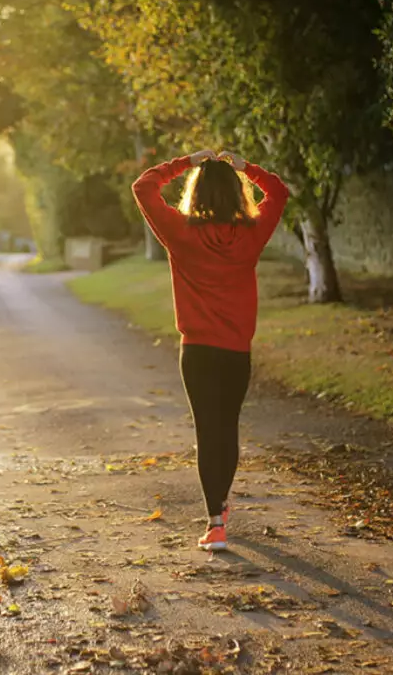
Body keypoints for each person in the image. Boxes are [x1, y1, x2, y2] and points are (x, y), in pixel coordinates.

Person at [132, 149, 289, 551]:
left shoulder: (180, 232)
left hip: (198, 352)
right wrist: (246, 167)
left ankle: (215, 522)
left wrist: (186, 161)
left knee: (207, 430)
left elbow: (143, 186)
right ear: (237, 194)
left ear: (196, 193)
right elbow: (279, 191)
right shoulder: (251, 234)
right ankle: (219, 507)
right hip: (236, 351)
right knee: (227, 427)